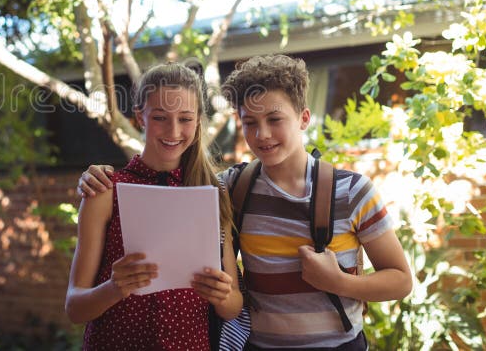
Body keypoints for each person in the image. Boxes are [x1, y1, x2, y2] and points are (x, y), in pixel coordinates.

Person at [78, 54, 413, 350]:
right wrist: (97, 173)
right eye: (250, 123)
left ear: (304, 118)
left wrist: (339, 282)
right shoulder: (230, 188)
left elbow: (400, 279)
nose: (262, 134)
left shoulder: (352, 191)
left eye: (275, 119)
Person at [65, 62, 243, 350]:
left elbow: (233, 306)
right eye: (160, 117)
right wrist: (114, 288)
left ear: (198, 120)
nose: (173, 130)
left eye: (185, 118)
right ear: (140, 117)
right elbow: (75, 308)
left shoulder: (212, 191)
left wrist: (222, 295)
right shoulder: (105, 191)